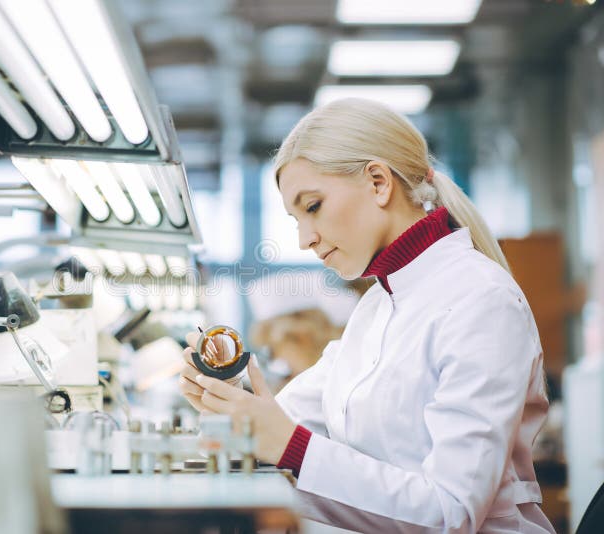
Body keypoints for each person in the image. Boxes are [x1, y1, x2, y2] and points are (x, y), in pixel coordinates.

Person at [178, 98, 555, 533]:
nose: (305, 239)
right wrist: (227, 397)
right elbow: (286, 426)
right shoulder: (376, 307)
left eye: (313, 206)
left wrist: (290, 445)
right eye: (295, 218)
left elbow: (453, 510)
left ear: (378, 182)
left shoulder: (481, 300)